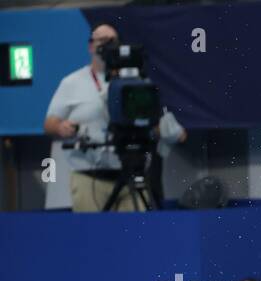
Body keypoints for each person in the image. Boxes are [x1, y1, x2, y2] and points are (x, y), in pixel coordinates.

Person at [44, 22, 186, 212]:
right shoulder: (71, 83)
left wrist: (165, 130)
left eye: (112, 41)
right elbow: (49, 123)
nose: (107, 46)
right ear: (90, 46)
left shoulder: (137, 82)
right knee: (94, 238)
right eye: (101, 41)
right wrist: (61, 127)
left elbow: (156, 124)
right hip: (89, 177)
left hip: (132, 175)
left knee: (135, 235)